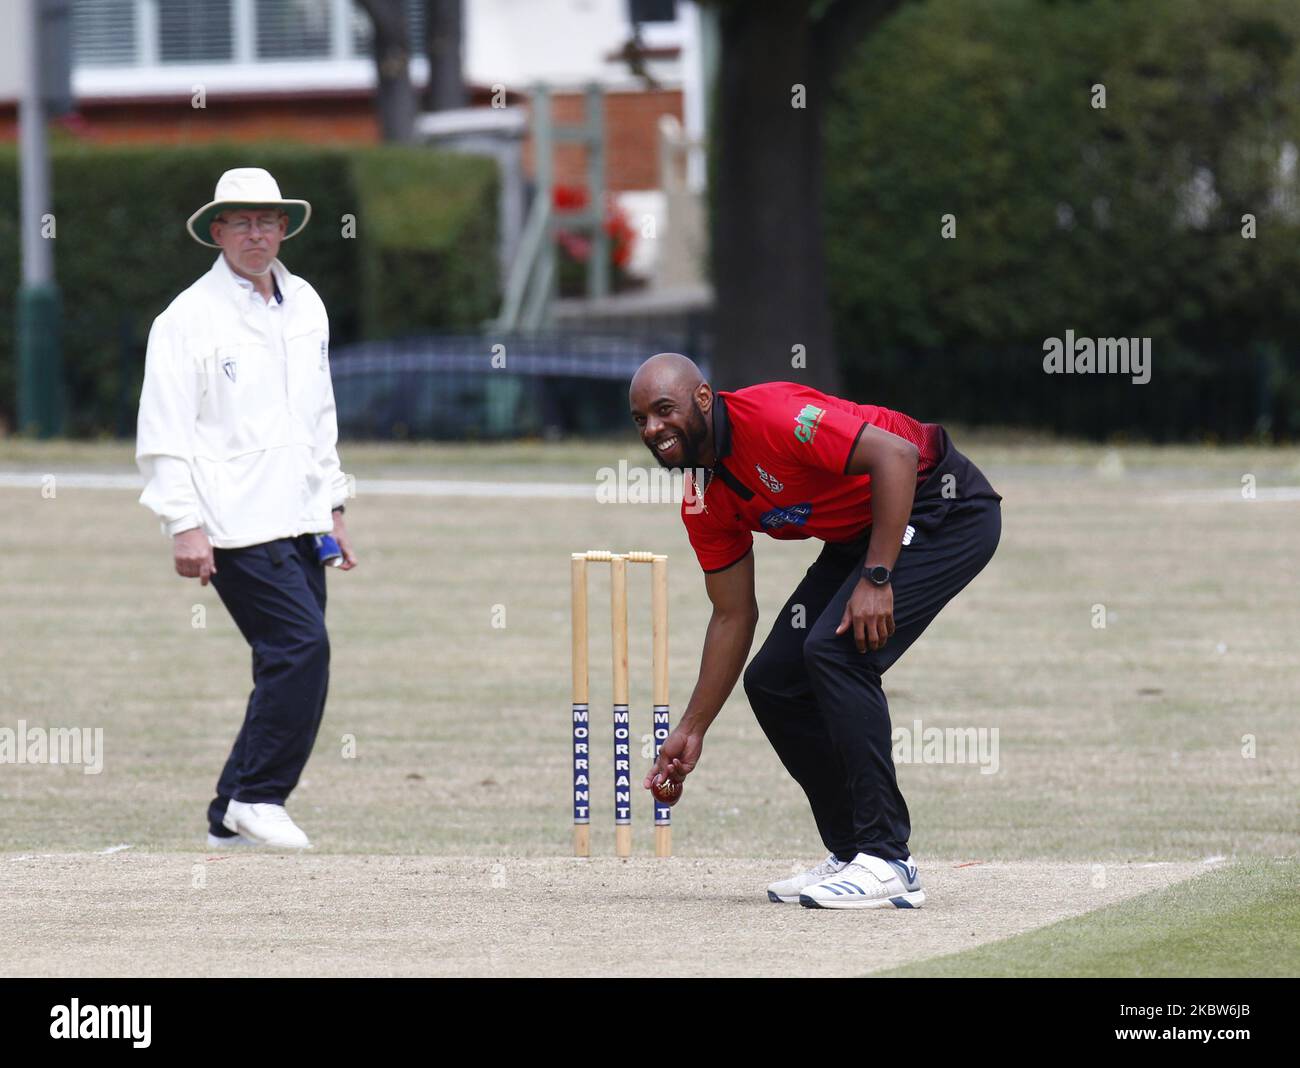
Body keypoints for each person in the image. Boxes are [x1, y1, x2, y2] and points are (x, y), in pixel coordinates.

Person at [632, 353, 1001, 909]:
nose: (654, 429)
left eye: (664, 410)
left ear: (703, 399)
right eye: (641, 420)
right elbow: (733, 614)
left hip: (940, 504)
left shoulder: (777, 416)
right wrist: (693, 726)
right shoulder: (700, 495)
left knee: (834, 651)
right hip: (862, 531)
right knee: (775, 682)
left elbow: (897, 455)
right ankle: (854, 852)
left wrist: (877, 577)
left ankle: (888, 860)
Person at [135, 167, 357, 850]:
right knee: (301, 650)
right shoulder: (186, 320)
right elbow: (164, 429)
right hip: (231, 523)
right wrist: (183, 523)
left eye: (267, 220)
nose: (256, 233)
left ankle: (225, 822)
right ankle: (259, 797)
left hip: (298, 515)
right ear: (218, 232)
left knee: (287, 659)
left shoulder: (307, 303)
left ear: (284, 228)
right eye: (241, 221)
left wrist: (334, 506)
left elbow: (318, 417)